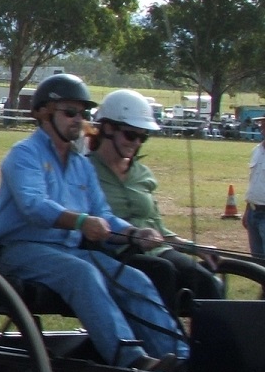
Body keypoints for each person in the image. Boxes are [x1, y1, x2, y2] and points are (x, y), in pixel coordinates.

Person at [0, 74, 184, 370]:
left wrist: (133, 232)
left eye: (84, 113)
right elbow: (33, 207)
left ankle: (180, 358)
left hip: (67, 252)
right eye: (69, 112)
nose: (78, 120)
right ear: (43, 113)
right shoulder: (24, 154)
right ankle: (131, 362)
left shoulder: (81, 164)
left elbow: (102, 215)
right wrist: (81, 222)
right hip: (21, 249)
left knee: (134, 279)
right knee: (82, 273)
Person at [88, 90, 222, 310]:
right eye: (131, 135)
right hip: (112, 253)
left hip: (157, 251)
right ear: (108, 128)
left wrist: (193, 247)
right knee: (162, 272)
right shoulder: (84, 170)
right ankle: (166, 341)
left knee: (203, 278)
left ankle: (215, 343)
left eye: (143, 137)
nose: (137, 142)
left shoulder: (143, 174)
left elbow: (159, 229)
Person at [246, 136, 265, 261]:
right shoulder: (257, 150)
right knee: (257, 262)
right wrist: (247, 211)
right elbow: (253, 182)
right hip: (253, 212)